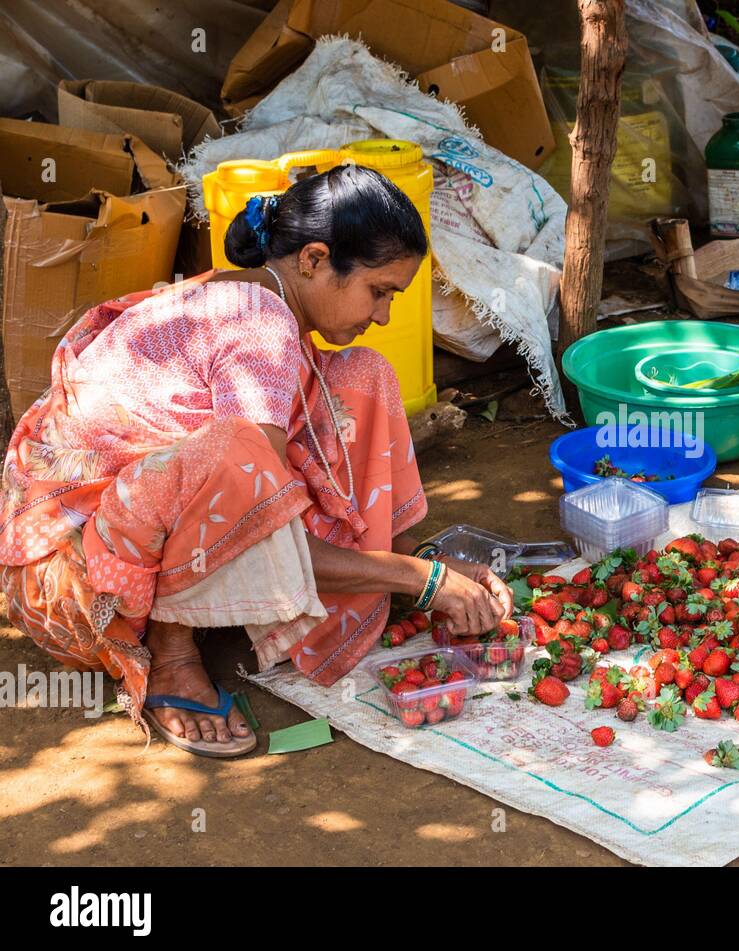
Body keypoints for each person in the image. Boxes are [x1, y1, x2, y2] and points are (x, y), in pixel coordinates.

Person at [0, 165, 511, 757]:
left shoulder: (248, 296)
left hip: (101, 528)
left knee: (364, 376)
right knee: (237, 458)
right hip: (77, 584)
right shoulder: (260, 328)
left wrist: (415, 566)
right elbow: (260, 514)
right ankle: (170, 656)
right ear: (315, 259)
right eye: (379, 291)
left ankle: (383, 563)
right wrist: (420, 581)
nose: (383, 316)